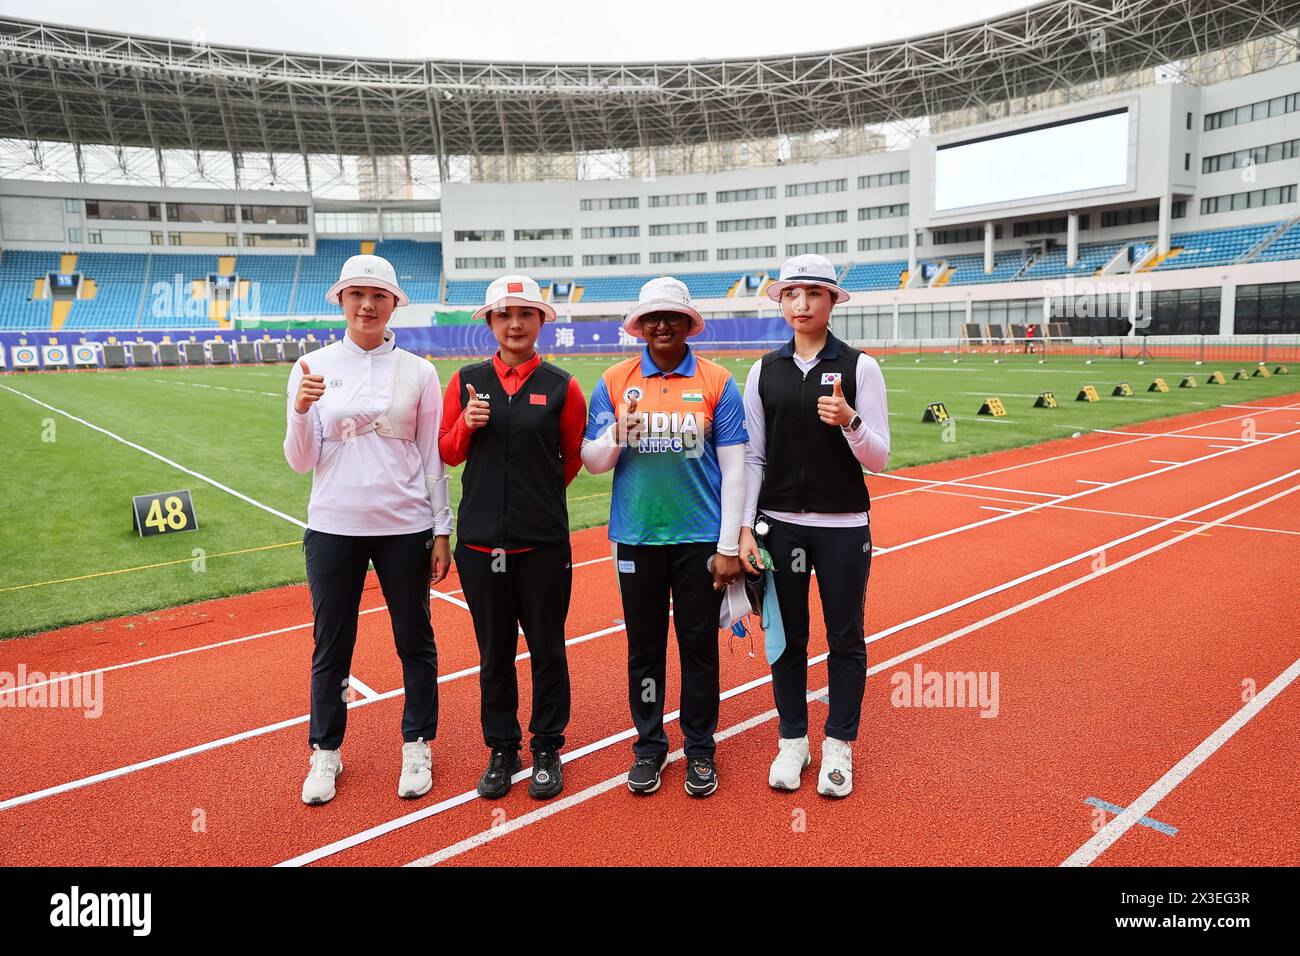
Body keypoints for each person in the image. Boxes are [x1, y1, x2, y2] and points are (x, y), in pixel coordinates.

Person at [284, 253, 453, 806]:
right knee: (332, 646)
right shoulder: (311, 366)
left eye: (378, 295)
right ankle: (325, 751)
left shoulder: (420, 371)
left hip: (405, 525)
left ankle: (416, 743)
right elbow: (300, 460)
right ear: (340, 300)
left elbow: (432, 456)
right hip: (333, 525)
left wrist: (441, 527)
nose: (367, 304)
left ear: (394, 305)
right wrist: (300, 412)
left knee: (415, 640)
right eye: (356, 294)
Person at [582, 276, 747, 798]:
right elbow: (592, 463)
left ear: (687, 323)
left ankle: (700, 748)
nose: (660, 325)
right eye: (652, 317)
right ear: (638, 326)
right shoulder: (614, 379)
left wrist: (726, 547)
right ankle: (649, 746)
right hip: (637, 537)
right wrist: (617, 431)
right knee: (645, 649)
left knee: (699, 647)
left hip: (700, 540)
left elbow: (736, 469)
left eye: (671, 317)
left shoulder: (718, 380)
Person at [738, 253, 890, 798]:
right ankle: (792, 740)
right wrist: (743, 530)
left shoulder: (860, 367)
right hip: (778, 527)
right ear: (781, 302)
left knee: (846, 636)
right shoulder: (764, 370)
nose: (801, 304)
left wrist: (851, 422)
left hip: (844, 526)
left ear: (831, 301)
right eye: (791, 295)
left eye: (813, 295)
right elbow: (754, 457)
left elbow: (881, 457)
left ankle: (838, 746)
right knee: (786, 637)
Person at [439, 275, 587, 801]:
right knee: (494, 653)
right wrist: (467, 425)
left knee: (548, 648)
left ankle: (547, 745)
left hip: (543, 545)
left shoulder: (563, 385)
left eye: (526, 314)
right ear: (490, 323)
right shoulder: (464, 381)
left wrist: (536, 501)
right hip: (481, 545)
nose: (515, 323)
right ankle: (502, 749)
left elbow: (570, 459)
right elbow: (447, 453)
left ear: (541, 321)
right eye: (505, 315)